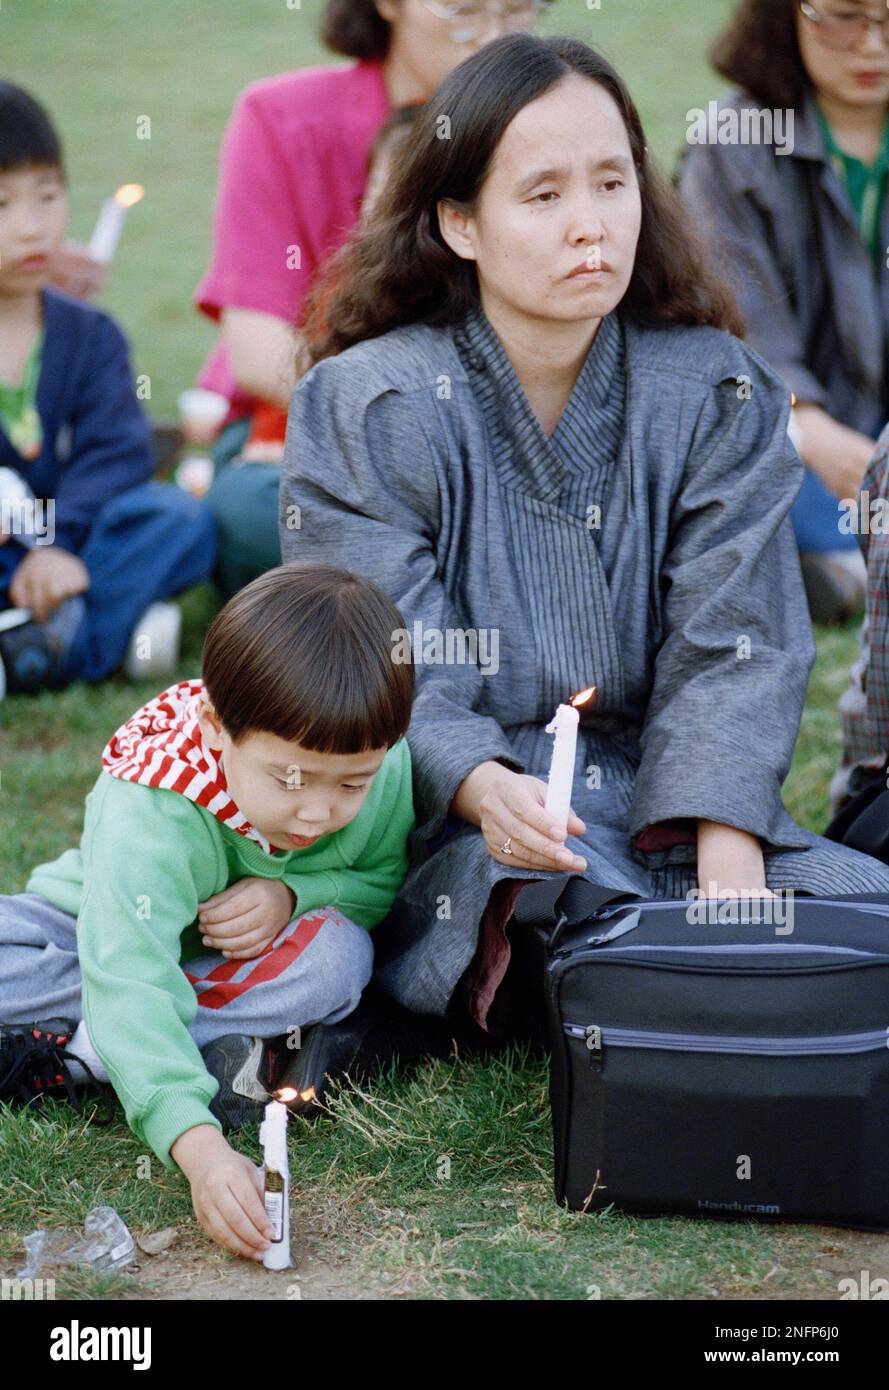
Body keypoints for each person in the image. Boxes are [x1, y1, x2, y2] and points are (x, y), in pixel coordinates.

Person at [279, 32, 889, 1035]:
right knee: (537, 897)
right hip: (479, 818)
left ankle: (662, 954)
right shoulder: (371, 403)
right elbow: (383, 657)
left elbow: (738, 640)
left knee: (851, 914)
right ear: (460, 223)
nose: (590, 226)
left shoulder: (716, 388)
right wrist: (478, 784)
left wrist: (727, 860)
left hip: (677, 800)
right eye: (544, 194)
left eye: (612, 183)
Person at [0, 563, 418, 1262]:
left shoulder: (381, 758)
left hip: (253, 964)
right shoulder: (149, 804)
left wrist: (295, 895)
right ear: (215, 727)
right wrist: (201, 1152)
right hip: (87, 930)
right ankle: (130, 1037)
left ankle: (109, 1043)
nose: (318, 812)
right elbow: (127, 962)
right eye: (287, 778)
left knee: (339, 958)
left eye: (351, 783)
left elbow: (380, 881)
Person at [194, 0, 556, 596]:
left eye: (517, 14)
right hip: (304, 429)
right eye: (464, 11)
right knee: (256, 511)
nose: (491, 41)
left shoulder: (548, 124)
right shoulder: (280, 117)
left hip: (499, 439)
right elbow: (258, 355)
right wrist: (411, 437)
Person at [677, 0, 889, 625]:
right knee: (735, 456)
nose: (872, 44)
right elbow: (738, 336)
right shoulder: (731, 141)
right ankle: (827, 559)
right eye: (846, 15)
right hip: (788, 428)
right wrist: (827, 440)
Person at [0, 83, 215, 697]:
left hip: (72, 550)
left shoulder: (90, 336)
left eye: (48, 195)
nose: (30, 228)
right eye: (2, 203)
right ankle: (86, 638)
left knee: (177, 519)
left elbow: (117, 451)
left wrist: (59, 545)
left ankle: (39, 649)